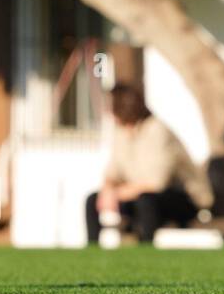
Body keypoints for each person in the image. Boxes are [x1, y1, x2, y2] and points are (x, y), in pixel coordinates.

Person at [86, 84, 213, 244]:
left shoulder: (157, 130)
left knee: (145, 200)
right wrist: (108, 189)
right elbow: (113, 171)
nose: (107, 112)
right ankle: (92, 251)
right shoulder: (121, 132)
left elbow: (157, 183)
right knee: (92, 199)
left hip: (183, 199)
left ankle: (146, 252)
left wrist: (118, 194)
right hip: (139, 196)